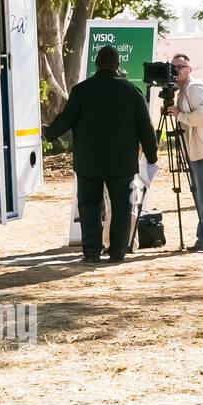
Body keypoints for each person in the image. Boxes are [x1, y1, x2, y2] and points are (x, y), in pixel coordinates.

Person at [44, 45, 159, 264]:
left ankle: (91, 252)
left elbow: (65, 120)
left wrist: (49, 133)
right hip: (122, 164)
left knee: (89, 207)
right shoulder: (131, 92)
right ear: (117, 65)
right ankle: (117, 252)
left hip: (89, 162)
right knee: (122, 208)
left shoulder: (81, 90)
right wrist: (152, 157)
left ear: (96, 64)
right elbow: (146, 128)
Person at [169, 53, 203, 252]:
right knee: (201, 196)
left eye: (180, 66)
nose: (176, 70)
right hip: (196, 150)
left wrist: (180, 115)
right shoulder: (182, 91)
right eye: (173, 67)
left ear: (189, 69)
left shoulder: (195, 88)